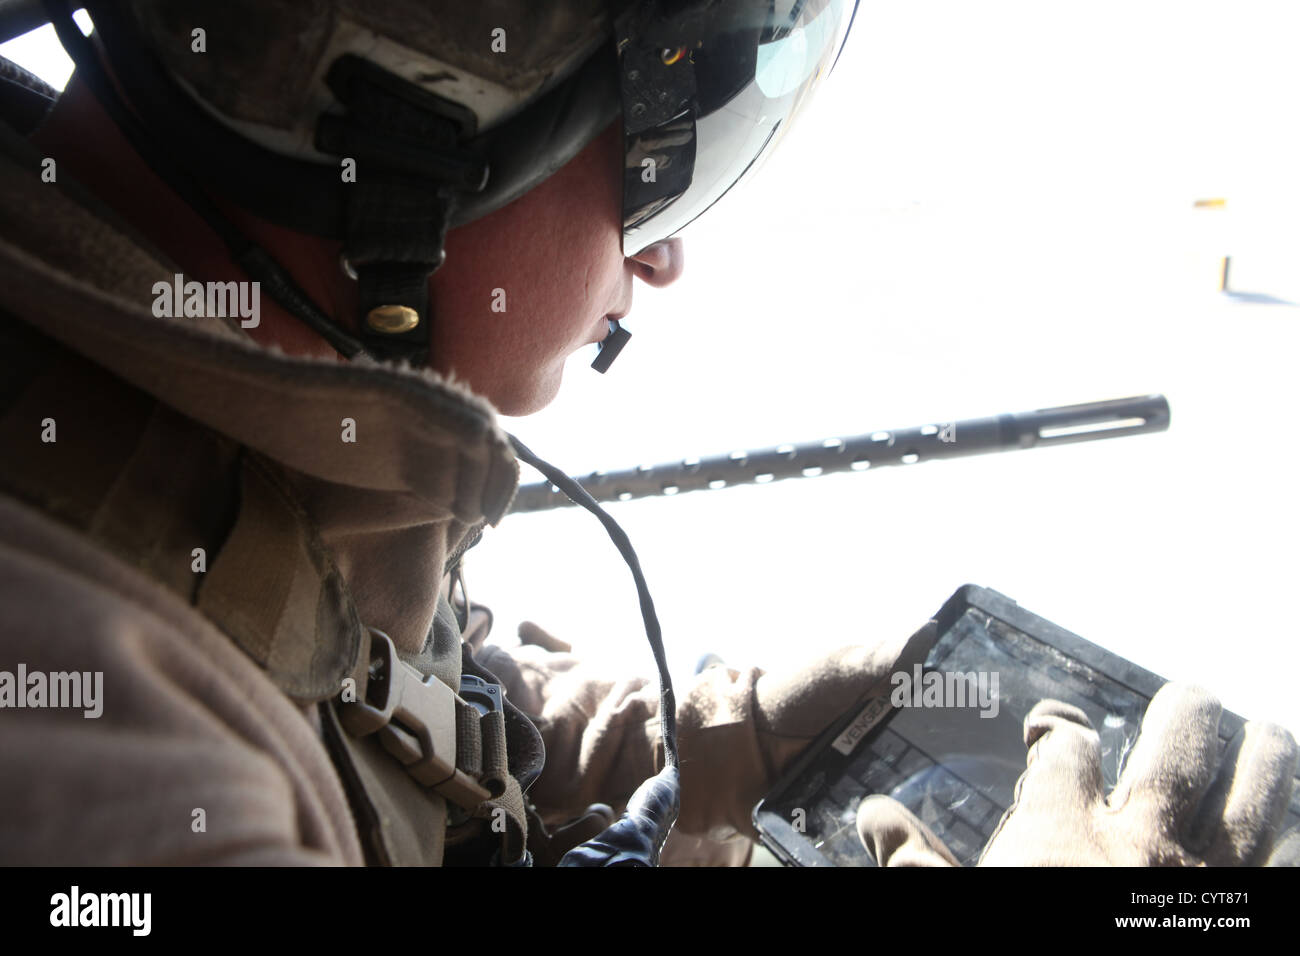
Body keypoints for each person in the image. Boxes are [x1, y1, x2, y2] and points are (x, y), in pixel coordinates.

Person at [0, 0, 1293, 867]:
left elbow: (400, 678)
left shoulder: (234, 444)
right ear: (397, 117)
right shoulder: (98, 747)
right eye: (682, 127)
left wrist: (701, 751)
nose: (667, 256)